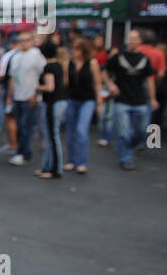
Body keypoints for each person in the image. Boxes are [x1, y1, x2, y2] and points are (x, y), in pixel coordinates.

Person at [105, 29, 157, 171]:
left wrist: (152, 98)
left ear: (140, 41)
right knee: (123, 132)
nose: (131, 41)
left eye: (134, 38)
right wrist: (110, 84)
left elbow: (150, 79)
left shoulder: (144, 59)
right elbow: (104, 70)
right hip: (122, 100)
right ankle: (125, 158)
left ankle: (128, 147)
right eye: (130, 38)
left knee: (141, 130)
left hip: (139, 100)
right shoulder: (118, 57)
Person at [7, 30, 45, 166]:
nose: (23, 43)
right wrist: (9, 96)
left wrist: (36, 93)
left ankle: (24, 153)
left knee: (25, 126)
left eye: (26, 40)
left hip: (29, 96)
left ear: (31, 41)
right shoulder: (16, 56)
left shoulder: (36, 55)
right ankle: (20, 150)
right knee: (18, 126)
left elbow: (42, 74)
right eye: (20, 40)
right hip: (17, 96)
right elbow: (12, 78)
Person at [64, 37, 100, 174]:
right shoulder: (69, 63)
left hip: (87, 100)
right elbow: (66, 83)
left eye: (77, 49)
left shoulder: (92, 63)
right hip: (72, 99)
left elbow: (97, 83)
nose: (74, 51)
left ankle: (82, 162)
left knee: (81, 130)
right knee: (70, 131)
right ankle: (72, 160)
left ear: (83, 50)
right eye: (73, 48)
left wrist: (99, 102)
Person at [34, 39, 66, 179]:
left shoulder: (49, 67)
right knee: (51, 136)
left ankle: (55, 170)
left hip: (52, 103)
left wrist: (37, 87)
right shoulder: (58, 65)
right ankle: (47, 167)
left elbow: (49, 87)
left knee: (53, 137)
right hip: (58, 102)